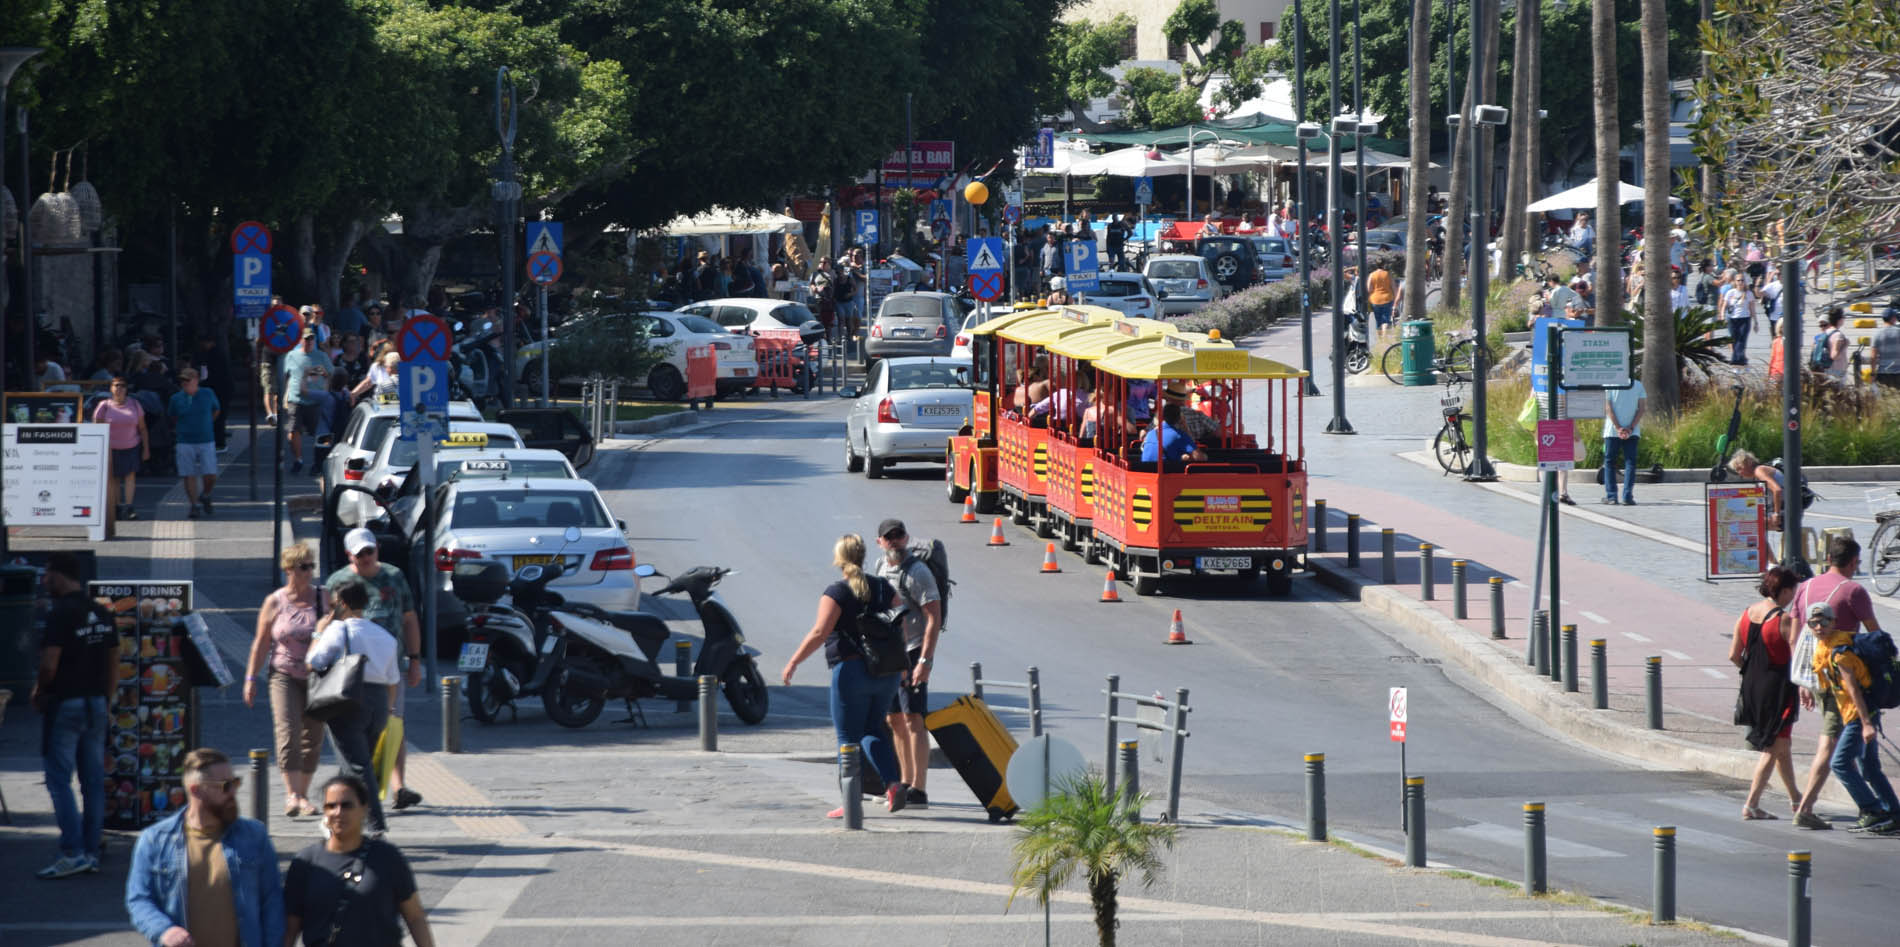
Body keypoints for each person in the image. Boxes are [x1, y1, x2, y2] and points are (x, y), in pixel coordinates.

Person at [780, 534, 909, 816]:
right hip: (886, 672)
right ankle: (893, 784)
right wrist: (903, 666)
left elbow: (820, 632)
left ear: (839, 559)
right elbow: (901, 626)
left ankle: (850, 803)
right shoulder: (883, 587)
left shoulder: (837, 592)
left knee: (847, 737)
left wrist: (793, 661)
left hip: (851, 671)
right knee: (873, 729)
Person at [124, 748, 285, 946]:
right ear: (196, 790)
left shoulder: (254, 835)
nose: (233, 792)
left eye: (235, 783)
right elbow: (139, 899)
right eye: (225, 786)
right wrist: (164, 930)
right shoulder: (154, 840)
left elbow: (272, 902)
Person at [32, 552, 119, 879]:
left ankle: (72, 852)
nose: (44, 581)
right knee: (93, 782)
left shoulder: (60, 613)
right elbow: (114, 661)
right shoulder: (102, 612)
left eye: (47, 574)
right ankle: (91, 851)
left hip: (66, 703)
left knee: (58, 780)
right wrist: (107, 700)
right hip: (96, 703)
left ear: (59, 574)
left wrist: (39, 690)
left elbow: (49, 663)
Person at [327, 528, 424, 812]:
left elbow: (409, 619)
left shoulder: (394, 576)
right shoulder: (338, 581)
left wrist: (414, 660)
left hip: (389, 666)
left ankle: (398, 786)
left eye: (370, 551)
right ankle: (362, 788)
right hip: (350, 671)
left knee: (394, 724)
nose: (367, 557)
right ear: (349, 555)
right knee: (359, 730)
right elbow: (328, 623)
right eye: (360, 554)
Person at [1791, 535, 1882, 830]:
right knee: (1830, 745)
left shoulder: (1804, 588)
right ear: (1853, 562)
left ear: (1828, 559)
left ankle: (1877, 806)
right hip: (1842, 682)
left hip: (1815, 675)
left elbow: (1795, 638)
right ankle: (1806, 808)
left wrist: (1804, 681)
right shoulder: (1853, 591)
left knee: (1853, 746)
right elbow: (1875, 637)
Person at [284, 774, 435, 946]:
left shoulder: (388, 857)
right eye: (331, 806)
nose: (338, 812)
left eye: (346, 805)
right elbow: (290, 928)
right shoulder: (305, 862)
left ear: (364, 809)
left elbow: (415, 917)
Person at [308, 583, 402, 836]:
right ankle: (334, 819)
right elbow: (393, 679)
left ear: (343, 604)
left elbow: (313, 661)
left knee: (358, 766)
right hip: (379, 703)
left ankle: (375, 824)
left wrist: (318, 633)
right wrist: (389, 709)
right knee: (353, 764)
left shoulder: (339, 629)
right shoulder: (385, 636)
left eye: (333, 603)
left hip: (348, 699)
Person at [243, 546, 327, 819]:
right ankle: (292, 794)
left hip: (318, 676)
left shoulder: (324, 597)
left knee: (313, 737)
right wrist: (250, 678)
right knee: (288, 732)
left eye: (311, 566)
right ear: (288, 569)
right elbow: (261, 643)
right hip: (283, 674)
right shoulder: (275, 601)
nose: (309, 572)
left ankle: (303, 794)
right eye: (303, 567)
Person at [1811, 595, 1900, 833]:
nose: (1819, 627)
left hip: (1859, 715)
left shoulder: (1840, 653)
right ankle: (1894, 814)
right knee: (1869, 768)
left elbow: (1853, 690)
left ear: (1833, 622)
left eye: (1824, 622)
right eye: (1814, 623)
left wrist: (1866, 724)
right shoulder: (1825, 647)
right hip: (1858, 714)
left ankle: (1872, 810)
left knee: (1840, 764)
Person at [872, 519, 941, 808]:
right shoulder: (880, 566)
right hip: (890, 654)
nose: (895, 541)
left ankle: (918, 789)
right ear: (880, 542)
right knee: (894, 719)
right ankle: (903, 783)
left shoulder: (918, 572)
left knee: (914, 719)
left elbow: (933, 618)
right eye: (889, 537)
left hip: (913, 653)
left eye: (899, 535)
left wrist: (925, 661)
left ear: (906, 537)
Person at [1730, 566, 1803, 820]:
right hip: (1778, 691)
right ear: (1785, 591)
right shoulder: (1784, 620)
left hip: (1752, 687)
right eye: (1792, 591)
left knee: (1782, 745)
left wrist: (1753, 672)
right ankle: (1751, 804)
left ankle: (1796, 799)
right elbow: (1797, 658)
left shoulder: (1746, 614)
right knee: (1772, 747)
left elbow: (1733, 655)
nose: (1793, 596)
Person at [94, 376, 150, 523]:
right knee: (114, 479)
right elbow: (96, 428)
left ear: (126, 389)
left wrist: (146, 448)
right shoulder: (104, 406)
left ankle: (129, 507)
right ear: (111, 388)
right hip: (110, 448)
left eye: (122, 385)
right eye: (116, 385)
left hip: (131, 446)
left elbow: (143, 428)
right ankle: (117, 507)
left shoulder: (135, 404)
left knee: (130, 476)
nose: (119, 388)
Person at [168, 368, 222, 518]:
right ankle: (194, 505)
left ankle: (206, 494)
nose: (185, 383)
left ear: (197, 380)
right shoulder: (176, 398)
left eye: (188, 379)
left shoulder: (207, 393)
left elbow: (216, 410)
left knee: (211, 474)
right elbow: (173, 416)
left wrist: (208, 422)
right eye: (183, 380)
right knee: (188, 474)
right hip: (185, 440)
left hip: (206, 439)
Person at [281, 328, 334, 474]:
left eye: (311, 338)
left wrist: (325, 376)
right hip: (296, 399)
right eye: (306, 339)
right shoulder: (291, 355)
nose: (309, 341)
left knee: (320, 433)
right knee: (294, 430)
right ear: (300, 340)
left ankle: (319, 463)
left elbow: (331, 374)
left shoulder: (321, 356)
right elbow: (286, 377)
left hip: (316, 399)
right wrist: (285, 396)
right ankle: (298, 460)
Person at [1727, 450, 1786, 566]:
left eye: (1739, 469)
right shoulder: (1759, 473)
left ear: (1747, 463)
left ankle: (1773, 564)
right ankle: (1772, 564)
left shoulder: (1759, 471)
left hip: (1785, 512)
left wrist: (1776, 513)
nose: (1739, 474)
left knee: (1750, 527)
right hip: (1787, 509)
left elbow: (1777, 490)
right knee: (1750, 525)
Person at [1600, 378, 1646, 505]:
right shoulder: (1638, 385)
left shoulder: (1609, 384)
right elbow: (1641, 409)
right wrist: (1630, 427)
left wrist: (1618, 427)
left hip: (1612, 431)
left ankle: (1611, 496)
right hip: (1632, 431)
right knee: (1630, 462)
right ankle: (1627, 496)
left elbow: (1608, 408)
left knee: (1609, 462)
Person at [1141, 402, 1207, 464]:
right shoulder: (1179, 435)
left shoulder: (1150, 433)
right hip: (1165, 470)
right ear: (1179, 418)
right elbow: (1199, 457)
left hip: (1145, 470)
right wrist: (1185, 425)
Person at [1716, 271, 1758, 365]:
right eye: (1738, 280)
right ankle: (1739, 358)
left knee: (1742, 339)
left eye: (1742, 280)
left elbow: (1752, 308)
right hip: (1732, 319)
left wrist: (1755, 322)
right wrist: (1722, 316)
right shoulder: (1730, 292)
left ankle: (1737, 358)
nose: (1740, 282)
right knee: (1734, 339)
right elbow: (1724, 305)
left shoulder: (1748, 294)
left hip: (1745, 318)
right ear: (1735, 282)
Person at [1160, 381, 1219, 445]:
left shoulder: (1161, 415)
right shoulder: (1198, 415)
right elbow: (1217, 431)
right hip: (1194, 446)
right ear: (1183, 399)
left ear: (1167, 399)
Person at [1812, 308, 1849, 382]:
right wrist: (1845, 344)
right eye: (1843, 317)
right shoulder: (1838, 335)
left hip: (1825, 370)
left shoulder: (1825, 333)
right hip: (1836, 372)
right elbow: (1834, 356)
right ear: (1840, 320)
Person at [1366, 260, 1396, 339]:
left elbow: (1369, 289)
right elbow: (1394, 288)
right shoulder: (1388, 274)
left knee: (1378, 320)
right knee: (1386, 320)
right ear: (1383, 265)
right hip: (1387, 298)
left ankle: (1380, 338)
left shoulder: (1372, 275)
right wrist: (1396, 299)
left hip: (1375, 300)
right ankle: (1384, 338)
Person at [1873, 308, 1900, 389]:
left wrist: (1873, 373)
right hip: (1898, 373)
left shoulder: (1877, 334)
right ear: (1893, 318)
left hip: (1883, 374)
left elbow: (1873, 356)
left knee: (1885, 396)